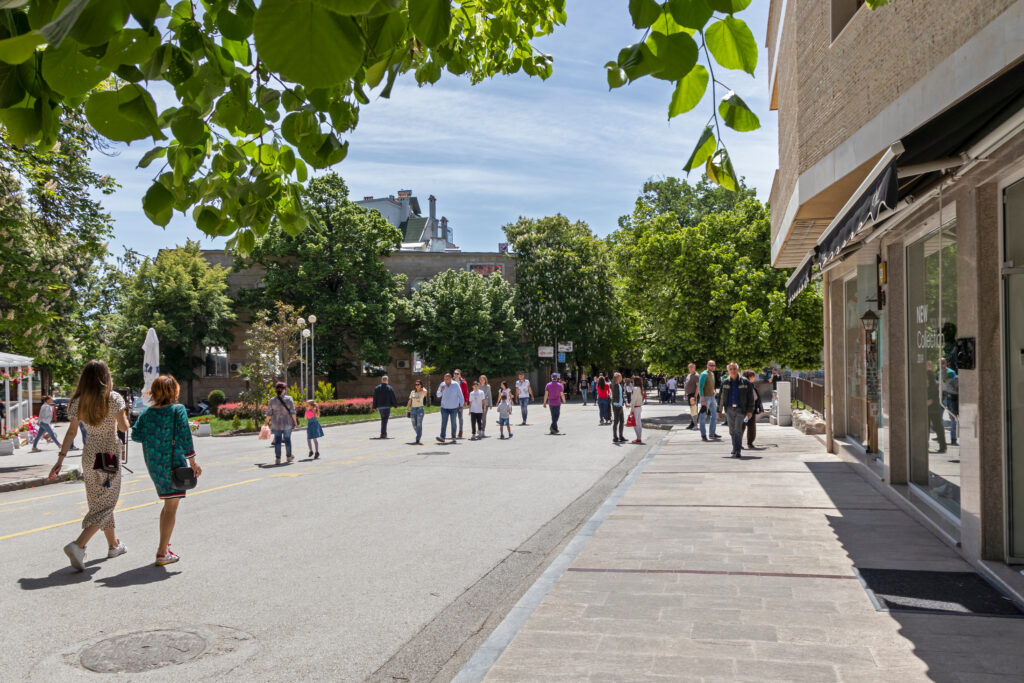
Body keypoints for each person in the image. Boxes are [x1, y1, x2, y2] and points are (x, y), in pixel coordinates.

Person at [48, 360, 130, 571]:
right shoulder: (113, 398)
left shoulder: (78, 402)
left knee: (99, 501)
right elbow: (123, 427)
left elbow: (71, 433)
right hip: (108, 454)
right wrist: (124, 415)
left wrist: (60, 460)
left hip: (89, 454)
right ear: (106, 377)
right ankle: (79, 544)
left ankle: (113, 545)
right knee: (107, 501)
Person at [130, 374, 202, 566]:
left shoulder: (147, 412)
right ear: (174, 391)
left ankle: (164, 546)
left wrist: (155, 436)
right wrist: (193, 462)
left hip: (154, 463)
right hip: (173, 463)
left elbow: (136, 435)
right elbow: (185, 436)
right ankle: (162, 553)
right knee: (171, 507)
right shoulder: (177, 409)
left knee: (167, 504)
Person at [718, 363, 754, 458]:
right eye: (731, 369)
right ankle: (734, 447)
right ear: (728, 371)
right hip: (729, 409)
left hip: (740, 409)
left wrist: (750, 411)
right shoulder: (725, 382)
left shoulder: (745, 382)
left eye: (734, 368)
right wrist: (719, 410)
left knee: (738, 429)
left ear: (738, 370)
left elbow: (751, 398)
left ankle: (738, 450)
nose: (733, 370)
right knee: (731, 430)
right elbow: (721, 397)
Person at [264, 381, 298, 464]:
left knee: (278, 441)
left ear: (276, 390)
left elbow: (269, 413)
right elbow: (293, 412)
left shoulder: (272, 400)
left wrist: (266, 423)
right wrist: (295, 422)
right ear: (284, 390)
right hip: (287, 423)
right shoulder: (289, 399)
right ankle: (289, 457)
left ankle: (278, 459)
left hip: (276, 424)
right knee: (287, 440)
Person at [435, 373, 464, 444]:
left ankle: (453, 437)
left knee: (453, 423)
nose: (445, 380)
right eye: (444, 379)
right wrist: (441, 390)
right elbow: (438, 395)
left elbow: (460, 395)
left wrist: (461, 405)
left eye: (447, 379)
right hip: (444, 407)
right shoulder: (442, 384)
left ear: (451, 378)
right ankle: (442, 437)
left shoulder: (456, 385)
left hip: (454, 407)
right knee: (444, 423)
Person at [925, 361, 947, 454]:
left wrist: (931, 401)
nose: (925, 379)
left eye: (926, 378)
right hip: (926, 410)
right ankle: (925, 445)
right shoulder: (923, 386)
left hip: (934, 410)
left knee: (938, 427)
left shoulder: (935, 385)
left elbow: (937, 397)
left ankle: (943, 446)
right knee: (925, 428)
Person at [698, 360, 720, 441]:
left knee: (714, 415)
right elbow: (700, 387)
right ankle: (703, 435)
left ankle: (712, 433)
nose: (712, 366)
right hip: (705, 398)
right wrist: (702, 400)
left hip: (712, 397)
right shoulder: (704, 374)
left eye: (713, 365)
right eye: (710, 365)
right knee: (703, 416)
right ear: (707, 365)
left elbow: (711, 386)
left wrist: (714, 392)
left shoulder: (712, 373)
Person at [939, 357, 959, 446]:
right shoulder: (938, 373)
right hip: (942, 397)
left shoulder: (951, 373)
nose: (941, 365)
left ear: (946, 363)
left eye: (943, 363)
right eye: (940, 363)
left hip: (950, 397)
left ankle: (953, 439)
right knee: (938, 417)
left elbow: (956, 386)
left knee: (953, 418)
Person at [742, 370, 764, 449]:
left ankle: (750, 443)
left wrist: (760, 407)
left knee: (751, 427)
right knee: (742, 426)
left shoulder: (753, 385)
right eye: (752, 376)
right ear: (748, 377)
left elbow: (757, 398)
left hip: (752, 410)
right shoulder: (743, 386)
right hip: (744, 411)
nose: (754, 378)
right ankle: (738, 443)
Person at [406, 379, 428, 445]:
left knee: (419, 424)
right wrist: (407, 409)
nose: (417, 386)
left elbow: (426, 391)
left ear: (421, 385)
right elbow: (410, 401)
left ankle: (418, 438)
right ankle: (419, 434)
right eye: (416, 384)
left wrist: (422, 388)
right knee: (414, 424)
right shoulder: (412, 392)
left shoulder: (422, 392)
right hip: (413, 409)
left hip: (420, 409)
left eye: (418, 384)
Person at [610, 372, 627, 443]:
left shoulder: (619, 385)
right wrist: (615, 376)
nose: (622, 378)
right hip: (616, 405)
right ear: (617, 378)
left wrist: (625, 402)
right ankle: (615, 437)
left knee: (622, 421)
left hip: (620, 405)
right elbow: (612, 383)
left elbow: (622, 395)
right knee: (616, 421)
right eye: (620, 377)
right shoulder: (614, 385)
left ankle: (621, 436)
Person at [454, 369, 470, 438]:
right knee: (453, 418)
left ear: (460, 375)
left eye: (457, 374)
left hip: (460, 402)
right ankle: (454, 432)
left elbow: (466, 392)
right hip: (453, 402)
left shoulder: (463, 382)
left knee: (460, 417)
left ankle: (461, 431)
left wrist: (466, 401)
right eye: (455, 373)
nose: (456, 375)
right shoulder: (451, 382)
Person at [683, 363, 699, 430]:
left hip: (693, 395)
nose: (690, 368)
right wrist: (685, 393)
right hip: (689, 394)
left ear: (694, 368)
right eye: (689, 367)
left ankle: (694, 424)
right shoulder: (689, 375)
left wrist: (695, 395)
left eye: (692, 367)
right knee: (691, 409)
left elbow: (698, 386)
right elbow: (686, 384)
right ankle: (692, 423)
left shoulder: (696, 375)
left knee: (694, 410)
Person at [629, 376, 645, 444]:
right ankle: (639, 437)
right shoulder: (640, 388)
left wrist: (631, 409)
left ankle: (638, 438)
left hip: (635, 407)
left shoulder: (635, 388)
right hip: (639, 407)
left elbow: (634, 400)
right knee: (639, 422)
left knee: (635, 423)